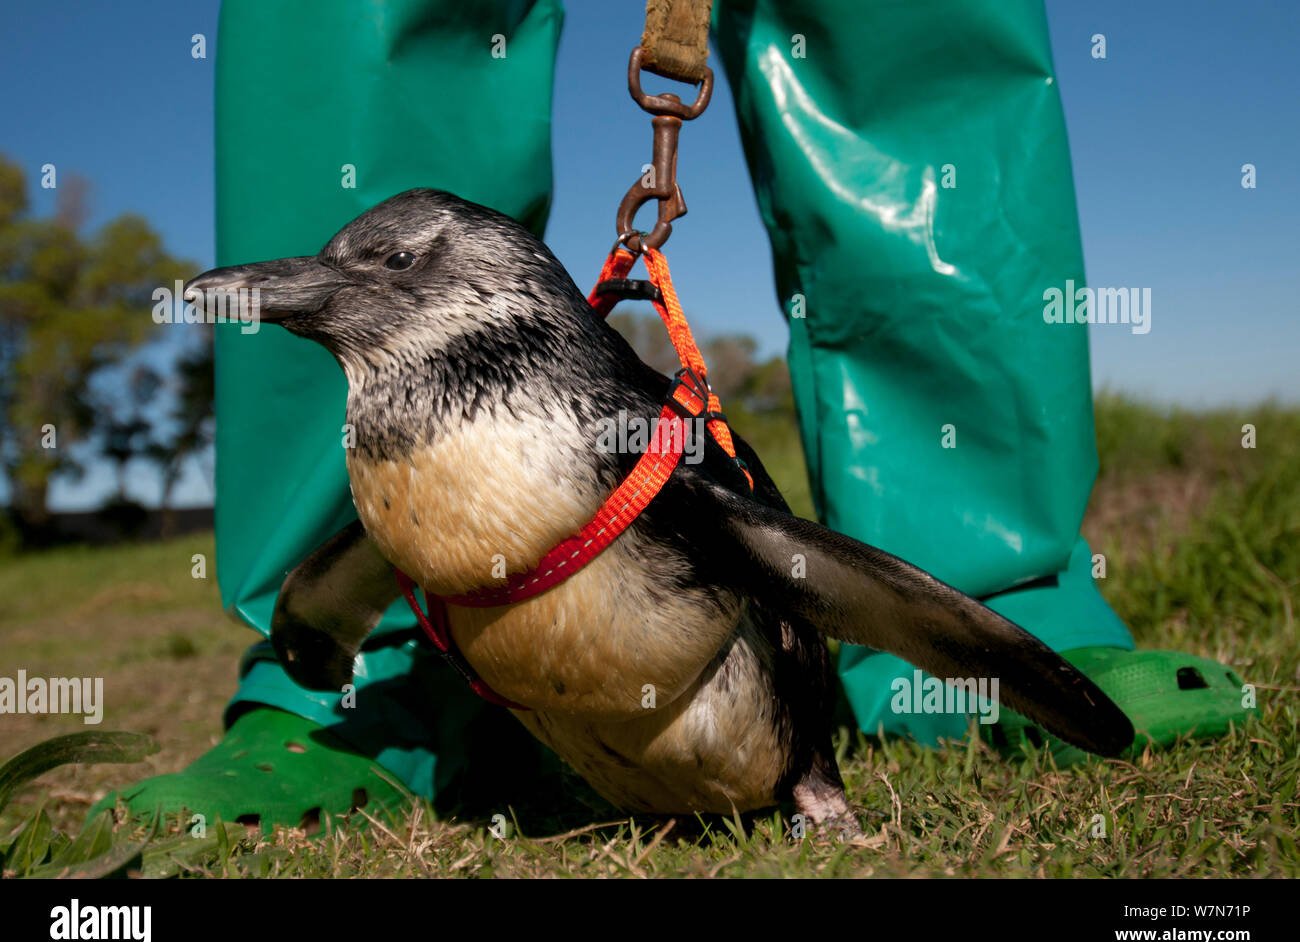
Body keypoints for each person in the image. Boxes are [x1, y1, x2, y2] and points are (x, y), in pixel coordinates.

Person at [95, 0, 1247, 833]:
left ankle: (983, 608)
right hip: (455, 557)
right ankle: (364, 692)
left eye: (385, 272)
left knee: (897, 25)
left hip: (730, 671)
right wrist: (322, 619)